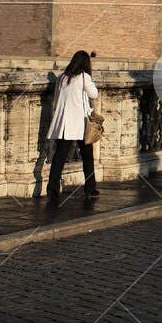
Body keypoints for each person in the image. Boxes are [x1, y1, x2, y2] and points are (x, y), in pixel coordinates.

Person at [46, 49, 100, 207]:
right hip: (80, 123)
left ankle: (53, 191)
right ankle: (90, 189)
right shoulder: (84, 77)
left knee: (59, 158)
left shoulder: (62, 77)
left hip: (63, 123)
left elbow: (56, 99)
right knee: (87, 156)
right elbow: (94, 94)